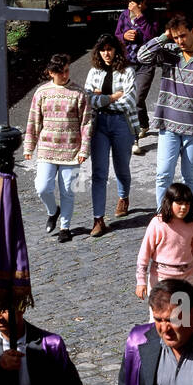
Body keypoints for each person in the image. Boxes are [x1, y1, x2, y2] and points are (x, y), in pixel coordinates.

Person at [134, 14, 193, 217]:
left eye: (183, 36)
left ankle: (191, 215)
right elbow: (142, 56)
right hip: (168, 123)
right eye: (176, 37)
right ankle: (162, 214)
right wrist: (163, 37)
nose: (180, 41)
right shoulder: (169, 52)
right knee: (163, 174)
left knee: (190, 176)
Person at [23, 53, 92, 243]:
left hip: (71, 150)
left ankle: (65, 227)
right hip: (47, 149)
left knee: (68, 189)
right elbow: (33, 120)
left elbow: (86, 123)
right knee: (42, 187)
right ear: (51, 73)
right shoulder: (41, 93)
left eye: (67, 70)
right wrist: (29, 146)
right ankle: (53, 211)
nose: (64, 75)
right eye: (60, 72)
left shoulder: (79, 93)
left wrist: (84, 149)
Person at [84, 34, 136, 237]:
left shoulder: (128, 71)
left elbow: (129, 101)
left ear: (116, 50)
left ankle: (123, 196)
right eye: (103, 49)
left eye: (110, 49)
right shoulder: (93, 72)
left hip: (122, 122)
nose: (107, 53)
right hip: (99, 124)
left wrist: (100, 97)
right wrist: (113, 97)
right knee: (99, 172)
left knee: (121, 165)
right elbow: (87, 99)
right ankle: (98, 219)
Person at [116, 0, 160, 152]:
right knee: (131, 99)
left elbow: (152, 37)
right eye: (131, 1)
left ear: (143, 2)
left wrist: (139, 16)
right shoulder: (123, 16)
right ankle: (143, 124)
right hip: (128, 63)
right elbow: (116, 35)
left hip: (146, 64)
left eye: (136, 2)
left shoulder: (151, 15)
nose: (133, 5)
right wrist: (124, 36)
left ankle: (133, 140)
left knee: (136, 98)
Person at [136, 183, 193, 295]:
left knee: (187, 312)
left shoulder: (192, 224)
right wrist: (141, 281)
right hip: (161, 280)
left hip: (187, 279)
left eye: (187, 203)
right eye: (179, 203)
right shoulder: (157, 223)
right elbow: (144, 253)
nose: (184, 207)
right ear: (169, 203)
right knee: (162, 312)